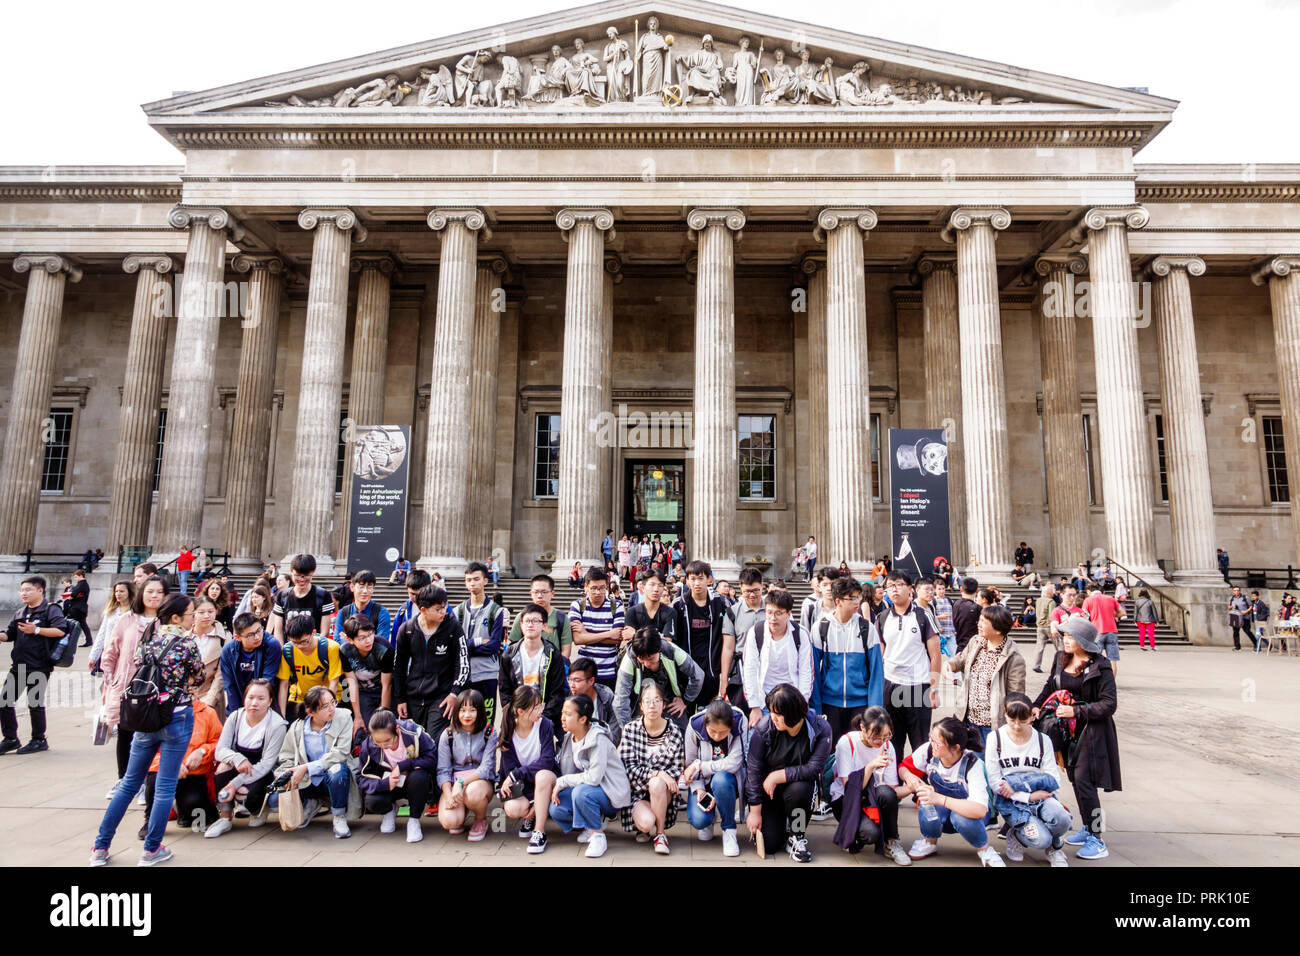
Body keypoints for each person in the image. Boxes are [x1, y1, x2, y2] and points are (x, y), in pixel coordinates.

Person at [91, 593, 204, 866]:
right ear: (176, 618)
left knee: (129, 784)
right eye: (191, 614)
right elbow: (198, 676)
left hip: (146, 715)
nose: (193, 619)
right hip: (177, 715)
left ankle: (100, 848)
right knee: (165, 786)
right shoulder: (187, 644)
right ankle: (151, 849)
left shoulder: (147, 641)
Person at [1032, 616, 1120, 861]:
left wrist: (1076, 711)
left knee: (1084, 781)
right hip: (1064, 732)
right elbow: (1050, 685)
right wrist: (1037, 705)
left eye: (1071, 637)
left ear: (1084, 640)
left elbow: (1109, 704)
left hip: (1091, 733)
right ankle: (1088, 828)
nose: (1066, 640)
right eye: (1065, 636)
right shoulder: (1061, 658)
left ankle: (1097, 836)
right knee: (1075, 780)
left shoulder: (1100, 666)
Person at [745, 683, 832, 863]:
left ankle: (797, 835)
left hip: (799, 787)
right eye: (771, 712)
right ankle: (781, 822)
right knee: (770, 844)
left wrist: (777, 776)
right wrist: (755, 811)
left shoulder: (820, 729)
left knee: (801, 790)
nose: (773, 718)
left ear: (792, 713)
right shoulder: (764, 729)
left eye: (778, 714)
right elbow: (753, 770)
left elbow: (814, 768)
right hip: (769, 792)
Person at [899, 717, 1004, 866]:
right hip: (942, 812)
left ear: (955, 748)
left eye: (937, 742)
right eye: (931, 738)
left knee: (960, 817)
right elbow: (903, 767)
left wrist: (940, 799)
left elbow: (980, 810)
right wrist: (909, 777)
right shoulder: (929, 750)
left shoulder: (972, 765)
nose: (932, 743)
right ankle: (929, 842)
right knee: (926, 802)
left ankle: (984, 849)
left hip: (969, 817)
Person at [99, 576, 168, 791]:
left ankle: (147, 782)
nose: (154, 596)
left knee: (152, 735)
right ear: (141, 594)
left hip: (158, 688)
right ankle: (124, 779)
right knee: (126, 732)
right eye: (150, 591)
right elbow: (111, 652)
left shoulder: (169, 621)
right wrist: (109, 680)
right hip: (127, 686)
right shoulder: (126, 620)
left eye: (159, 592)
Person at [987, 693, 1071, 867]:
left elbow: (1053, 780)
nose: (1017, 725)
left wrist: (1017, 785)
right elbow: (995, 782)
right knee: (1041, 840)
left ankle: (1055, 847)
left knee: (1063, 819)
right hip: (1012, 801)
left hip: (1041, 796)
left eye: (1023, 721)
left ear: (1032, 717)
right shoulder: (995, 738)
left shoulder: (1042, 740)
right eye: (1012, 720)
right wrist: (1028, 796)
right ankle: (1015, 835)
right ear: (1005, 713)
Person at [550, 694, 631, 858]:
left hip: (610, 792)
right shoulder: (569, 737)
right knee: (556, 808)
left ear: (583, 719)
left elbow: (594, 778)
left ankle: (597, 836)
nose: (562, 718)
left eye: (568, 714)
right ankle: (590, 823)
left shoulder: (597, 739)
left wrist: (562, 781)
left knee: (581, 793)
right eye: (562, 713)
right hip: (588, 790)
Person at [274, 685, 361, 838]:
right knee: (274, 799)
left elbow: (341, 753)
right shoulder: (297, 728)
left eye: (333, 702)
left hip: (332, 777)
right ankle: (312, 802)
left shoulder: (344, 717)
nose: (332, 708)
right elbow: (286, 757)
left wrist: (306, 768)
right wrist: (288, 775)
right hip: (306, 780)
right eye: (325, 706)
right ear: (310, 712)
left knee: (338, 771)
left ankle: (339, 816)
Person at [829, 707, 912, 865]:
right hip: (847, 801)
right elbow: (849, 788)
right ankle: (853, 833)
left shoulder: (887, 746)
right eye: (876, 737)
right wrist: (870, 767)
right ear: (862, 728)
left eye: (886, 736)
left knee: (886, 793)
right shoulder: (847, 743)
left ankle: (892, 842)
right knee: (869, 834)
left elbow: (892, 791)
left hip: (872, 799)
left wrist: (911, 788)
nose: (881, 742)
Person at [205, 679, 287, 837]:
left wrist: (234, 784)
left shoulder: (277, 725)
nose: (254, 703)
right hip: (240, 766)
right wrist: (236, 759)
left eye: (261, 699)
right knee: (222, 768)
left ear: (270, 701)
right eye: (251, 697)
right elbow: (220, 750)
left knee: (244, 794)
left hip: (264, 772)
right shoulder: (235, 717)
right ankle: (225, 818)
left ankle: (260, 809)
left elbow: (267, 764)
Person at [875, 571, 941, 761]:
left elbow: (935, 655)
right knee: (892, 741)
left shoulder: (922, 616)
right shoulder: (882, 618)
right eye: (890, 586)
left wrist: (934, 688)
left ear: (910, 589)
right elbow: (880, 655)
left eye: (899, 584)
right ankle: (894, 779)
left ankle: (920, 779)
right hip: (891, 684)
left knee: (920, 743)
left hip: (918, 685)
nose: (894, 589)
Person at [0, 576, 70, 755]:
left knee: (34, 703)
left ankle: (39, 740)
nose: (24, 593)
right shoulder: (20, 612)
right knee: (4, 701)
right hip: (19, 665)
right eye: (22, 590)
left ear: (40, 590)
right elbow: (10, 634)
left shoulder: (50, 609)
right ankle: (10, 739)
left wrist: (36, 630)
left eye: (28, 590)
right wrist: (2, 636)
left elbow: (60, 630)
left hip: (39, 665)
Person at [811, 575, 885, 742]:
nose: (857, 601)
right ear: (838, 601)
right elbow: (813, 671)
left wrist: (875, 711)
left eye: (858, 597)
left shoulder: (867, 628)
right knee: (831, 752)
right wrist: (816, 708)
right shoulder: (821, 627)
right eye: (851, 598)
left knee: (858, 750)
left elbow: (876, 672)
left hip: (860, 705)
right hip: (829, 704)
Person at [392, 584, 469, 739]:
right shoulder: (407, 629)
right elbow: (398, 667)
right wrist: (400, 699)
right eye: (438, 609)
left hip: (441, 696)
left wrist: (454, 693)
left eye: (444, 607)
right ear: (423, 610)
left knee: (434, 740)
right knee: (414, 742)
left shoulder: (453, 628)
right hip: (413, 696)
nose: (443, 612)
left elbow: (463, 663)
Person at [139, 696, 222, 839]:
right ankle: (151, 820)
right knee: (154, 785)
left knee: (194, 807)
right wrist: (172, 765)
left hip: (194, 772)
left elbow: (218, 741)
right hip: (163, 769)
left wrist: (202, 751)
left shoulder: (207, 712)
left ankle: (193, 810)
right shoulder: (157, 711)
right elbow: (146, 749)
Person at [946, 604, 1026, 752]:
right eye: (980, 620)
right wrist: (950, 665)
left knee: (985, 763)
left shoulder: (1013, 658)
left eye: (984, 621)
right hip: (966, 719)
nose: (979, 624)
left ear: (998, 629)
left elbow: (1016, 697)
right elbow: (961, 659)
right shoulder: (976, 642)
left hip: (990, 726)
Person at [618, 682, 685, 855]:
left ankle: (660, 835)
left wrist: (659, 779)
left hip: (664, 792)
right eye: (647, 701)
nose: (652, 705)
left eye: (656, 700)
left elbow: (676, 769)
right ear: (641, 706)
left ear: (664, 704)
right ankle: (646, 826)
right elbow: (628, 769)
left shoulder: (674, 732)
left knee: (657, 784)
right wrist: (658, 773)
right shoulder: (630, 730)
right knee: (647, 822)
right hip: (637, 793)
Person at [359, 708, 438, 843]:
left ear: (397, 729)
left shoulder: (413, 732)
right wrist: (384, 784)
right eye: (378, 742)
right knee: (373, 801)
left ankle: (414, 820)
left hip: (413, 783)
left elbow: (432, 759)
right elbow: (361, 777)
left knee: (419, 777)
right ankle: (389, 811)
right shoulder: (368, 745)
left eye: (388, 741)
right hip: (389, 785)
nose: (384, 746)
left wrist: (403, 766)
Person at [496, 684, 558, 852]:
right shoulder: (508, 730)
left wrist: (516, 774)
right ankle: (530, 815)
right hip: (523, 785)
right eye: (535, 708)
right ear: (520, 712)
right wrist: (532, 802)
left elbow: (547, 762)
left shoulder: (545, 725)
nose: (540, 711)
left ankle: (539, 831)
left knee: (542, 776)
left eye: (540, 706)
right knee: (513, 808)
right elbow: (509, 768)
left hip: (545, 781)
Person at [683, 698, 746, 857]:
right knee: (699, 820)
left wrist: (701, 766)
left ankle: (729, 829)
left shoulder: (739, 720)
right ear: (705, 723)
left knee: (720, 779)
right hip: (702, 781)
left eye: (723, 732)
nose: (717, 736)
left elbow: (735, 763)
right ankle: (709, 820)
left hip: (727, 782)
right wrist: (699, 790)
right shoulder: (694, 725)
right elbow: (690, 765)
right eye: (712, 731)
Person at [741, 588, 813, 727]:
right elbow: (749, 669)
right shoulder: (756, 632)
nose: (773, 618)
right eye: (769, 612)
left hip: (792, 699)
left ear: (788, 614)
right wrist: (754, 706)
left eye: (778, 613)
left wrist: (802, 703)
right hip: (764, 700)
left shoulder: (801, 634)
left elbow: (806, 671)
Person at [435, 689, 498, 841]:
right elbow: (443, 770)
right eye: (462, 710)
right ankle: (461, 813)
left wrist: (461, 783)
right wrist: (449, 795)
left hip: (479, 783)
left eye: (472, 710)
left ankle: (480, 819)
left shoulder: (489, 732)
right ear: (456, 711)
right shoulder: (448, 734)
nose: (467, 715)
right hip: (455, 784)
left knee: (473, 793)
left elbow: (486, 768)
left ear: (480, 711)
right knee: (450, 822)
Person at [613, 626, 704, 729]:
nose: (647, 664)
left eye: (651, 659)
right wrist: (628, 729)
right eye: (642, 659)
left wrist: (685, 700)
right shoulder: (629, 659)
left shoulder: (672, 651)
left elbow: (698, 676)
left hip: (669, 702)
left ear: (659, 649)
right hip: (640, 704)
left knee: (680, 730)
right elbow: (620, 700)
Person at [672, 560, 736, 705]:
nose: (697, 583)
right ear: (687, 580)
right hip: (686, 672)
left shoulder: (721, 603)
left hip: (713, 670)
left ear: (709, 579)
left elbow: (733, 631)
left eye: (701, 578)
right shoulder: (678, 605)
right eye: (693, 579)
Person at [498, 603, 567, 731]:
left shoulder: (553, 654)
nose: (530, 625)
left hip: (546, 718)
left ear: (544, 625)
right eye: (527, 621)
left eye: (535, 621)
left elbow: (557, 692)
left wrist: (543, 717)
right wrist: (516, 715)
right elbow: (504, 690)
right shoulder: (509, 654)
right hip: (516, 717)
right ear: (521, 625)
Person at [454, 562, 506, 724]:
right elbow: (454, 646)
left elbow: (494, 646)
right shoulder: (457, 611)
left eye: (476, 579)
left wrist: (464, 647)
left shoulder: (496, 611)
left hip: (486, 673)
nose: (472, 583)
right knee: (463, 721)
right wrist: (476, 642)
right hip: (462, 675)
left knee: (486, 722)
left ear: (485, 581)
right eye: (469, 580)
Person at [276, 615, 343, 719]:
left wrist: (326, 707)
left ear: (313, 632)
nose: (299, 646)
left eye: (304, 641)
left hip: (328, 698)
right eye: (295, 642)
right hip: (300, 699)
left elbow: (333, 682)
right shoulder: (287, 651)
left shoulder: (331, 648)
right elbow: (284, 685)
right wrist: (282, 717)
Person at [569, 566, 625, 690]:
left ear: (607, 587)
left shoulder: (616, 605)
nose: (598, 592)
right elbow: (577, 639)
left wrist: (586, 634)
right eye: (593, 588)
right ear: (586, 587)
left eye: (602, 588)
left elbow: (617, 639)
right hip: (584, 672)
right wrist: (608, 634)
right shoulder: (577, 606)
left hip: (609, 672)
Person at [219, 612, 281, 718]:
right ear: (237, 637)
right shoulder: (228, 651)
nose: (257, 637)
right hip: (239, 700)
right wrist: (236, 716)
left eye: (259, 630)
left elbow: (267, 681)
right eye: (250, 635)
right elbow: (230, 686)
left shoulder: (271, 645)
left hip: (264, 703)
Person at [339, 614, 394, 733]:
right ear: (350, 640)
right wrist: (357, 717)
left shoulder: (384, 649)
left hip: (385, 690)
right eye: (362, 638)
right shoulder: (345, 651)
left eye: (370, 634)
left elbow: (387, 685)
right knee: (365, 727)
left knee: (384, 726)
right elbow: (352, 683)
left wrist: (383, 715)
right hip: (364, 692)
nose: (368, 640)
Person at [506, 574, 573, 657]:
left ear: (552, 593)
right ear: (531, 594)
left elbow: (566, 651)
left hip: (554, 663)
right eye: (536, 592)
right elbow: (513, 647)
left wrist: (556, 664)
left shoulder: (561, 618)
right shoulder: (522, 617)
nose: (540, 596)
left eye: (544, 592)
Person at [567, 655, 622, 744]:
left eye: (577, 680)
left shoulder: (607, 699)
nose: (571, 685)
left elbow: (614, 735)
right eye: (569, 680)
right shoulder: (567, 701)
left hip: (602, 747)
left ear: (591, 681)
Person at [189, 595, 228, 712]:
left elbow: (221, 675)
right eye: (201, 612)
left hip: (212, 699)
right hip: (187, 698)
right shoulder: (185, 637)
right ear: (193, 613)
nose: (206, 616)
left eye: (210, 611)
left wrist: (209, 701)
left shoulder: (225, 638)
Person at [332, 569, 390, 646]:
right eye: (361, 586)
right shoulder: (343, 613)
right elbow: (337, 642)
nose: (365, 591)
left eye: (369, 587)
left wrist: (349, 641)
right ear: (352, 587)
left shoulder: (381, 612)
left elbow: (381, 644)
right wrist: (367, 642)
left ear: (373, 589)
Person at [90, 579, 135, 674]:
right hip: (109, 652)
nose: (118, 594)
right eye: (116, 591)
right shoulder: (111, 611)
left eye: (121, 591)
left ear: (129, 592)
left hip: (127, 654)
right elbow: (102, 634)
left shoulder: (135, 611)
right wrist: (94, 656)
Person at [623, 568, 677, 644]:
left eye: (660, 585)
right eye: (652, 585)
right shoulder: (632, 612)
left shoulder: (670, 612)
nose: (656, 589)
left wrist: (635, 634)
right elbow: (629, 642)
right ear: (643, 587)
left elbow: (667, 643)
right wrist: (658, 639)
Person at [1082, 582, 1124, 679]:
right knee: (1112, 659)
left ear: (1088, 591)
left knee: (1095, 658)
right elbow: (1122, 613)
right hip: (1112, 631)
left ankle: (1095, 680)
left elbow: (1084, 617)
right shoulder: (1110, 598)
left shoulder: (1088, 600)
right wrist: (1112, 615)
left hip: (1097, 631)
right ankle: (1111, 682)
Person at [389, 568, 431, 645]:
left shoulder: (441, 608)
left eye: (419, 594)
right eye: (412, 594)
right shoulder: (403, 610)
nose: (416, 598)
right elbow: (395, 638)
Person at [1033, 583, 1059, 673]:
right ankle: (1062, 664)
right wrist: (1053, 627)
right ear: (1050, 592)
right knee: (1059, 646)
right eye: (1053, 591)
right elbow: (1052, 615)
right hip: (1048, 626)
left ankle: (1036, 665)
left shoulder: (1038, 600)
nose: (1054, 593)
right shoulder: (1051, 602)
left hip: (1039, 626)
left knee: (1039, 647)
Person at [951, 576, 981, 652]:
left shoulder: (956, 604)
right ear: (977, 590)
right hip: (974, 647)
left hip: (960, 646)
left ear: (961, 589)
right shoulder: (978, 608)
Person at [64, 568, 91, 647]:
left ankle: (67, 639)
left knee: (70, 623)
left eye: (76, 577)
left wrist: (70, 594)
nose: (75, 579)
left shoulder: (82, 584)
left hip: (77, 608)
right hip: (80, 607)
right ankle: (89, 640)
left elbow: (74, 593)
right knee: (82, 624)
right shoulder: (82, 584)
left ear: (81, 576)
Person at [932, 577, 957, 657]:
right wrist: (940, 617)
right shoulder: (932, 601)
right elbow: (930, 617)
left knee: (953, 656)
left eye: (943, 588)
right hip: (939, 635)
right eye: (939, 589)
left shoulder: (949, 600)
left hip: (950, 633)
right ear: (935, 590)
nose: (942, 591)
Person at [1227, 585, 1253, 651]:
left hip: (1245, 617)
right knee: (1235, 632)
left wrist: (1246, 611)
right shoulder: (1231, 598)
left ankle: (1256, 644)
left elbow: (1251, 606)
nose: (1236, 592)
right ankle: (1237, 647)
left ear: (1240, 591)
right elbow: (1229, 607)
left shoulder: (1245, 597)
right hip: (1235, 617)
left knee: (1247, 631)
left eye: (1238, 590)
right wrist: (1231, 607)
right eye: (1235, 590)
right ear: (1233, 591)